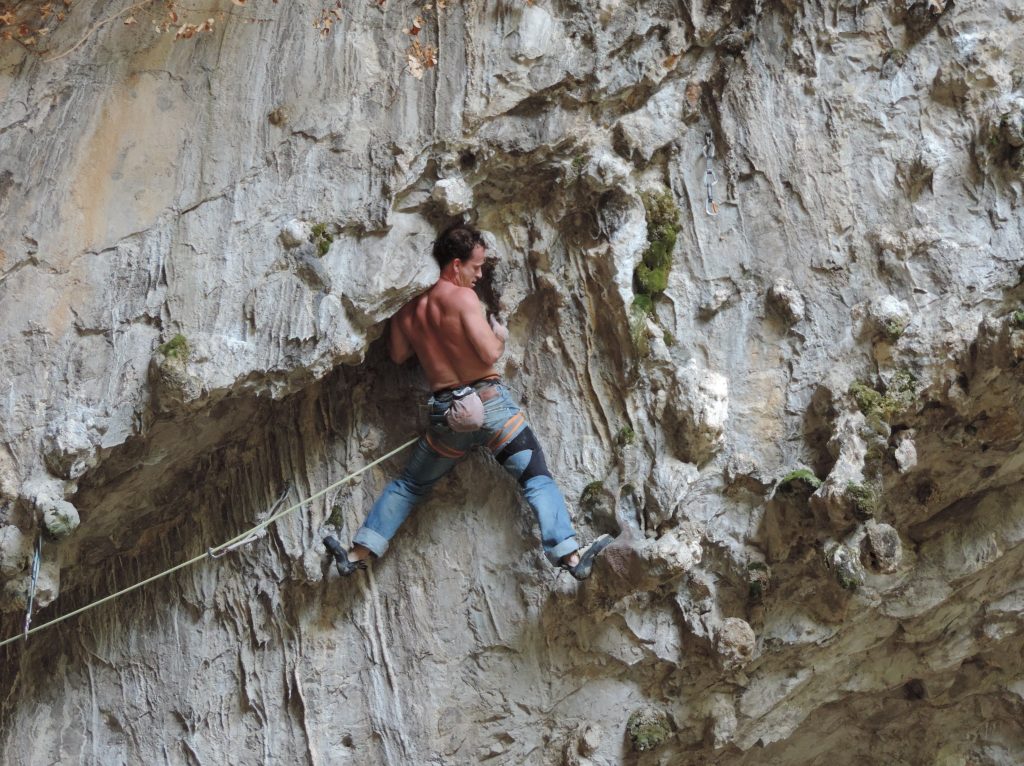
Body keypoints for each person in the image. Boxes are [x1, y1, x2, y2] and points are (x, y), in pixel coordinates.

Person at [323, 223, 612, 580]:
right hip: (490, 407)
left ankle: (356, 553)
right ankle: (569, 556)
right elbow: (489, 352)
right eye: (475, 266)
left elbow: (398, 355)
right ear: (454, 264)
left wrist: (415, 326)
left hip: (447, 416)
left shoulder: (411, 310)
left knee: (411, 485)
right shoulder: (461, 298)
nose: (479, 274)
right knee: (536, 480)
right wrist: (500, 334)